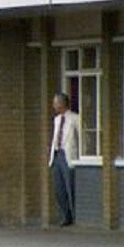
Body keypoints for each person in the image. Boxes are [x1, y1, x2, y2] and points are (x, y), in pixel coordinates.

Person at [48, 91, 81, 226]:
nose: (54, 105)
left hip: (68, 156)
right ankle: (65, 216)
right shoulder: (56, 120)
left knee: (70, 187)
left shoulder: (75, 118)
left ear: (62, 103)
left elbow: (82, 137)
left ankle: (75, 215)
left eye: (55, 103)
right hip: (57, 154)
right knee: (59, 188)